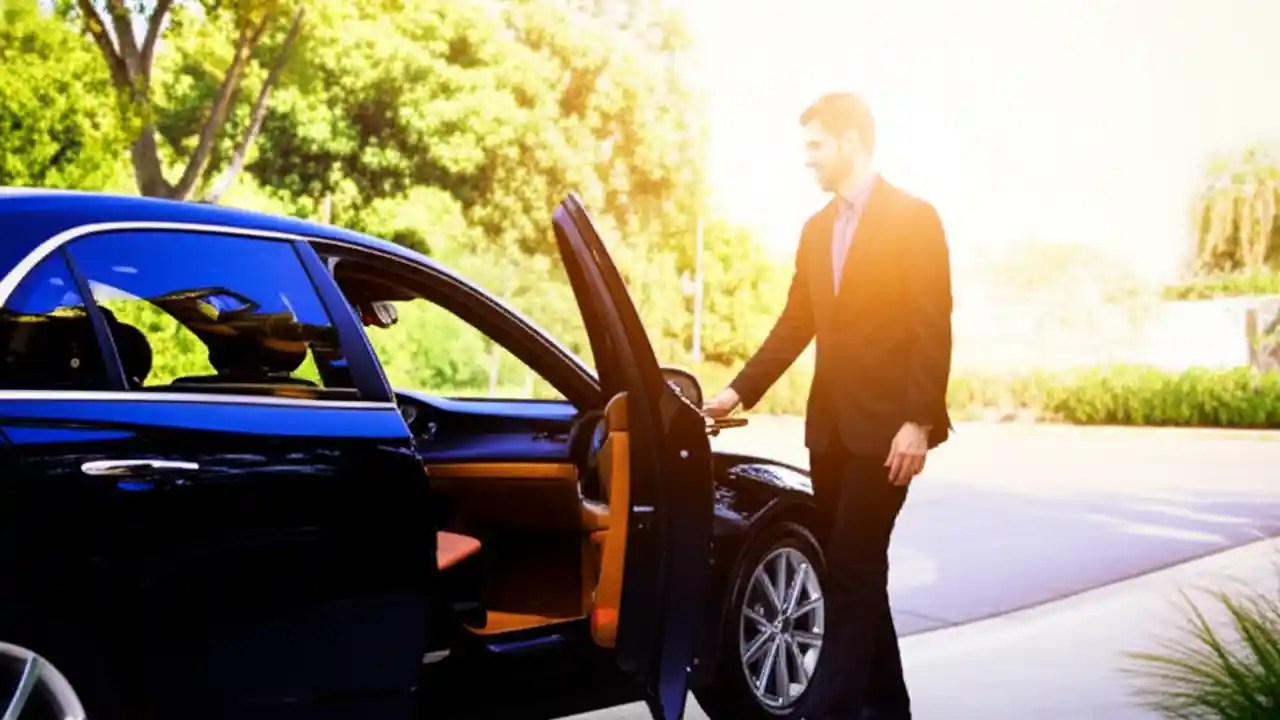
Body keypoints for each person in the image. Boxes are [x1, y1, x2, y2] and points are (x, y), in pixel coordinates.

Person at [703, 91, 953, 720]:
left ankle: (831, 711)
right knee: (858, 573)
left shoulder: (914, 219)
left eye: (816, 146)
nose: (807, 160)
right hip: (832, 435)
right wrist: (736, 392)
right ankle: (889, 709)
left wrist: (918, 421)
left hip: (888, 436)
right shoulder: (817, 231)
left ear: (849, 143)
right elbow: (796, 323)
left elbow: (932, 327)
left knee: (851, 567)